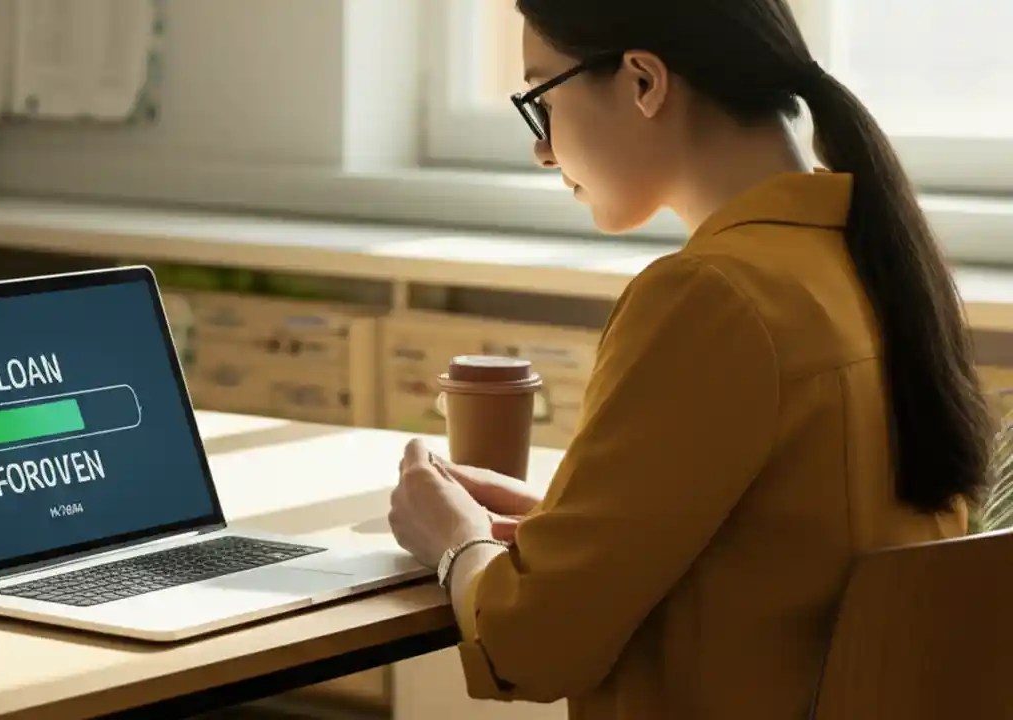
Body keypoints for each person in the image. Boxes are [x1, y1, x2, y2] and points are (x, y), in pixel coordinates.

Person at [386, 1, 995, 718]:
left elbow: (530, 643)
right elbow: (780, 543)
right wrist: (565, 524)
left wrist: (453, 540)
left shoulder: (709, 297)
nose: (542, 151)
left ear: (644, 82)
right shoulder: (871, 265)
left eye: (542, 101)